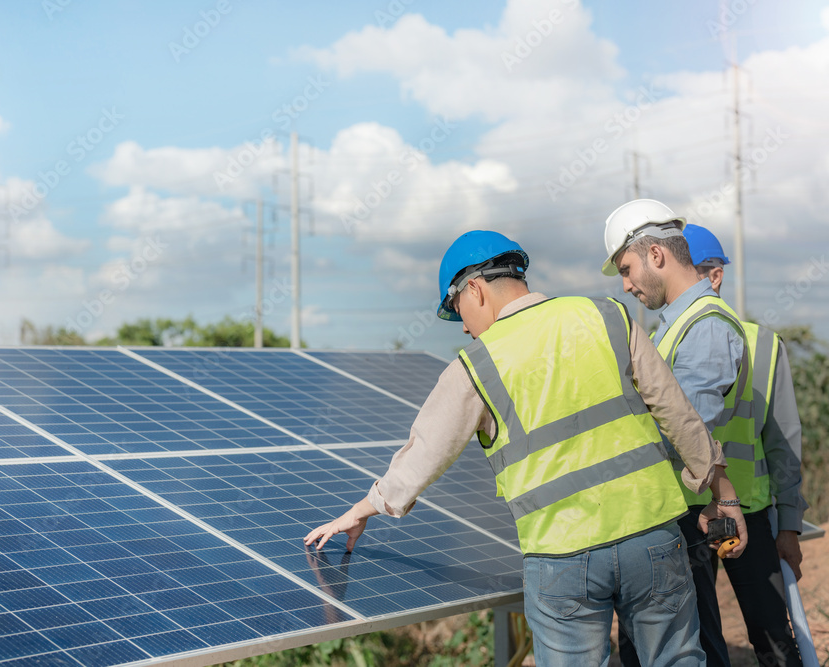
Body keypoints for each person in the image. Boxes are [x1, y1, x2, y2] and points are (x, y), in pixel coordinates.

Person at [305, 230, 747, 666]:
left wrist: (363, 508)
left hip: (563, 557)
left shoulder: (475, 366)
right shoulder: (608, 315)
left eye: (457, 308)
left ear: (474, 290)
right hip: (652, 537)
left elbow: (423, 455)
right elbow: (679, 415)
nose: (462, 325)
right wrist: (724, 495)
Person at [601, 199, 752, 667]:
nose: (625, 285)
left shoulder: (704, 325)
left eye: (627, 269)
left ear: (657, 256)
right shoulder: (676, 324)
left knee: (691, 647)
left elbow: (688, 431)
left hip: (682, 515)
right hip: (668, 512)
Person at [683, 223, 805, 666]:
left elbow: (782, 444)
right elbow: (784, 444)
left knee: (730, 638)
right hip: (700, 513)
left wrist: (788, 525)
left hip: (731, 512)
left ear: (713, 276)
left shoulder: (760, 345)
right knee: (755, 638)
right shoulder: (665, 339)